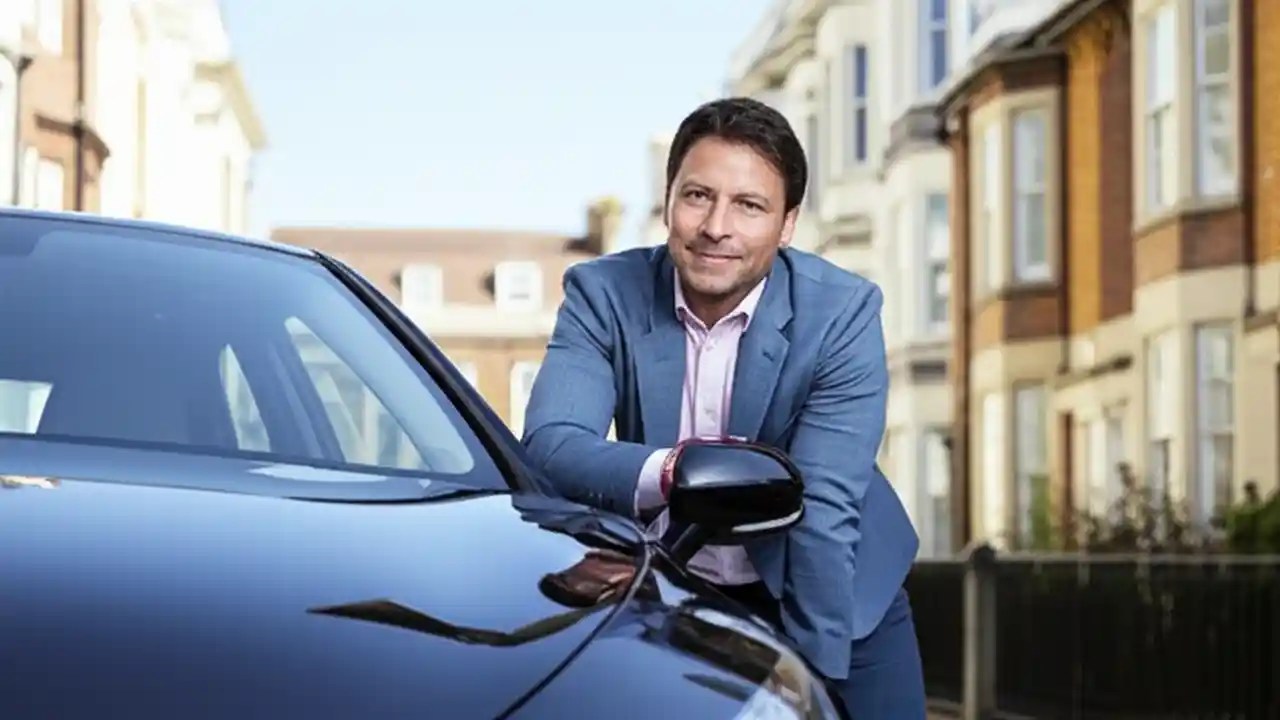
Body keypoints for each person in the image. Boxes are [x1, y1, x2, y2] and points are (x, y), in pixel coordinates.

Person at [521, 97, 925, 717]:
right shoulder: (602, 294)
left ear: (788, 224)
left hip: (834, 596)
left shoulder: (841, 313)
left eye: (749, 205)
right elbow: (552, 446)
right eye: (697, 196)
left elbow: (822, 510)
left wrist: (808, 689)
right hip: (676, 595)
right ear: (668, 201)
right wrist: (672, 472)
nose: (716, 226)